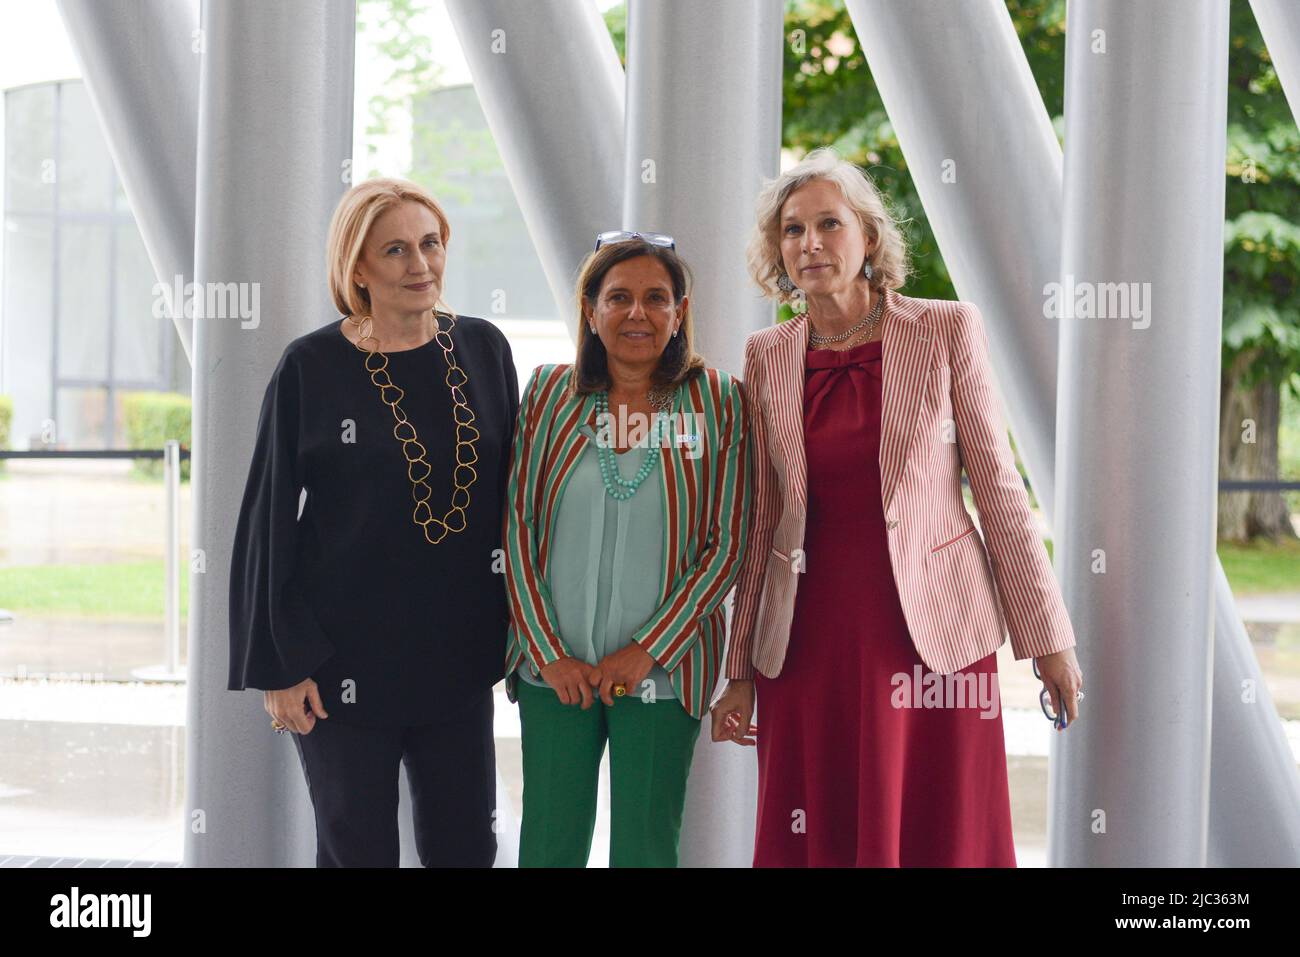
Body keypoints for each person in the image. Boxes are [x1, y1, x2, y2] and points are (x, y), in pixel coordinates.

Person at [712, 147, 1085, 867]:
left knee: (937, 827)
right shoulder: (765, 354)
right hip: (807, 638)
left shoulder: (945, 328)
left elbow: (1000, 490)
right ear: (776, 249)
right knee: (819, 823)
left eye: (829, 223)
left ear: (869, 238)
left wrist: (1049, 639)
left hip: (933, 633)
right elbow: (760, 520)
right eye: (792, 230)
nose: (810, 243)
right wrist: (738, 670)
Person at [227, 177, 519, 867]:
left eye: (430, 243)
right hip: (339, 665)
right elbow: (268, 519)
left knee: (467, 846)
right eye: (396, 250)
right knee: (356, 849)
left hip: (457, 654)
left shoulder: (483, 348)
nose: (421, 264)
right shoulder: (312, 365)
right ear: (357, 267)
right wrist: (282, 661)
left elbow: (517, 500)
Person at [502, 232, 751, 867]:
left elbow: (727, 544)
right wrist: (549, 654)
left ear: (680, 311)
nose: (637, 313)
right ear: (590, 310)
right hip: (553, 671)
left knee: (645, 850)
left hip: (662, 677)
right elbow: (517, 529)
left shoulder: (718, 401)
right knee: (548, 848)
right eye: (618, 297)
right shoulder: (550, 395)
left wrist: (647, 652)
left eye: (655, 298)